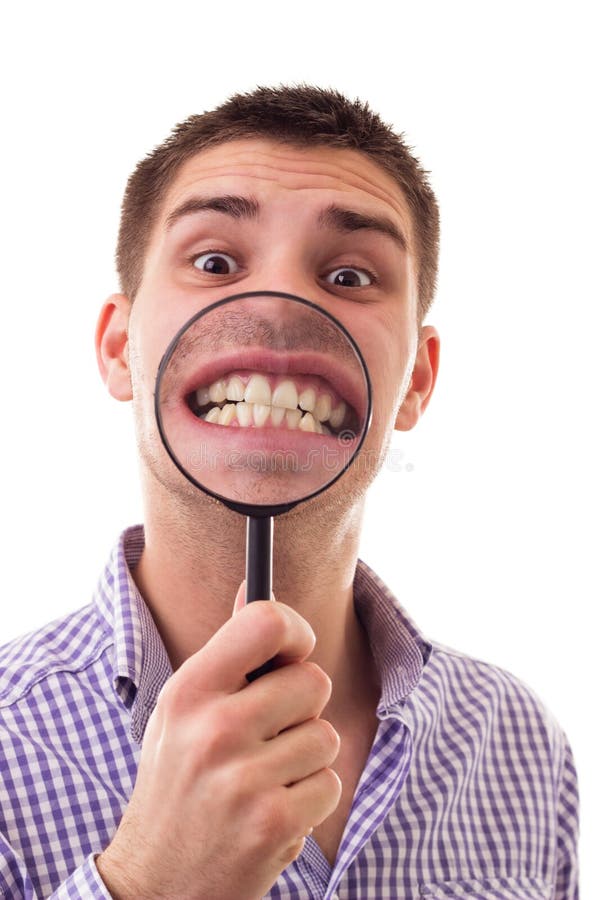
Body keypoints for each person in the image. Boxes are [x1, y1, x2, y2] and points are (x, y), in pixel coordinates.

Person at [0, 86, 578, 899]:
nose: (280, 306)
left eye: (349, 274)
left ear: (416, 380)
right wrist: (148, 881)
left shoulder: (521, 745)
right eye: (214, 263)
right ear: (120, 347)